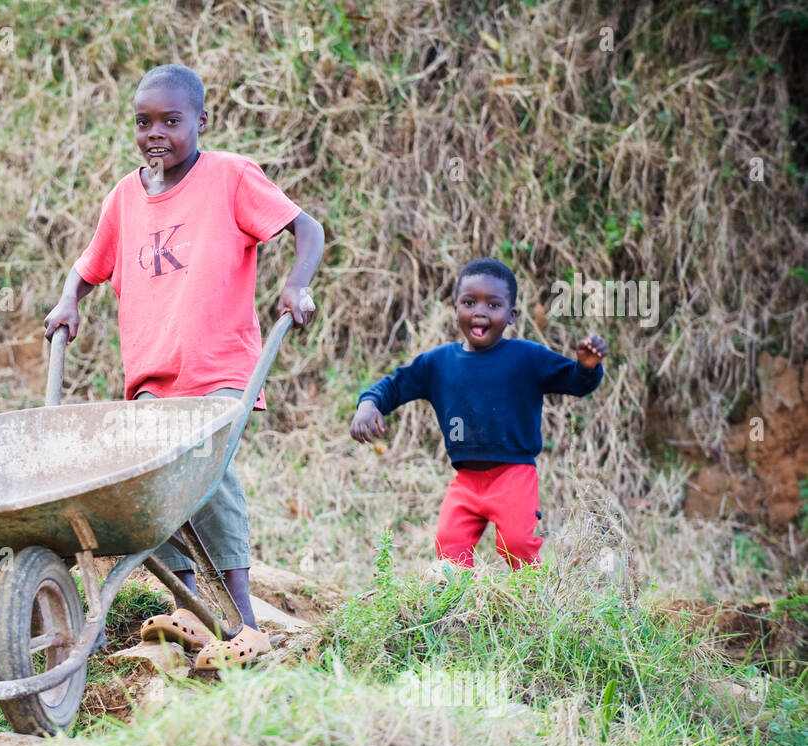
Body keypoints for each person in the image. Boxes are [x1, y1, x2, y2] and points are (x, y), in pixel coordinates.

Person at [44, 63, 324, 666]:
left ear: (201, 120)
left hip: (220, 372)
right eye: (143, 122)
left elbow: (308, 229)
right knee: (156, 487)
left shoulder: (230, 177)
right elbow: (88, 265)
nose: (156, 134)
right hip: (152, 379)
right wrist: (69, 301)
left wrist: (297, 287)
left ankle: (247, 625)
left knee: (205, 470)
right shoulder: (124, 195)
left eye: (171, 121)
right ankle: (188, 610)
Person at [350, 257, 607, 569]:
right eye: (469, 302)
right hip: (466, 481)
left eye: (493, 305)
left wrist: (586, 367)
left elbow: (575, 382)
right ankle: (458, 610)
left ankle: (529, 603)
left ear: (511, 314)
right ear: (456, 307)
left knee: (517, 545)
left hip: (513, 474)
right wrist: (369, 405)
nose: (480, 312)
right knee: (449, 548)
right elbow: (394, 385)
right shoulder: (438, 364)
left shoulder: (528, 358)